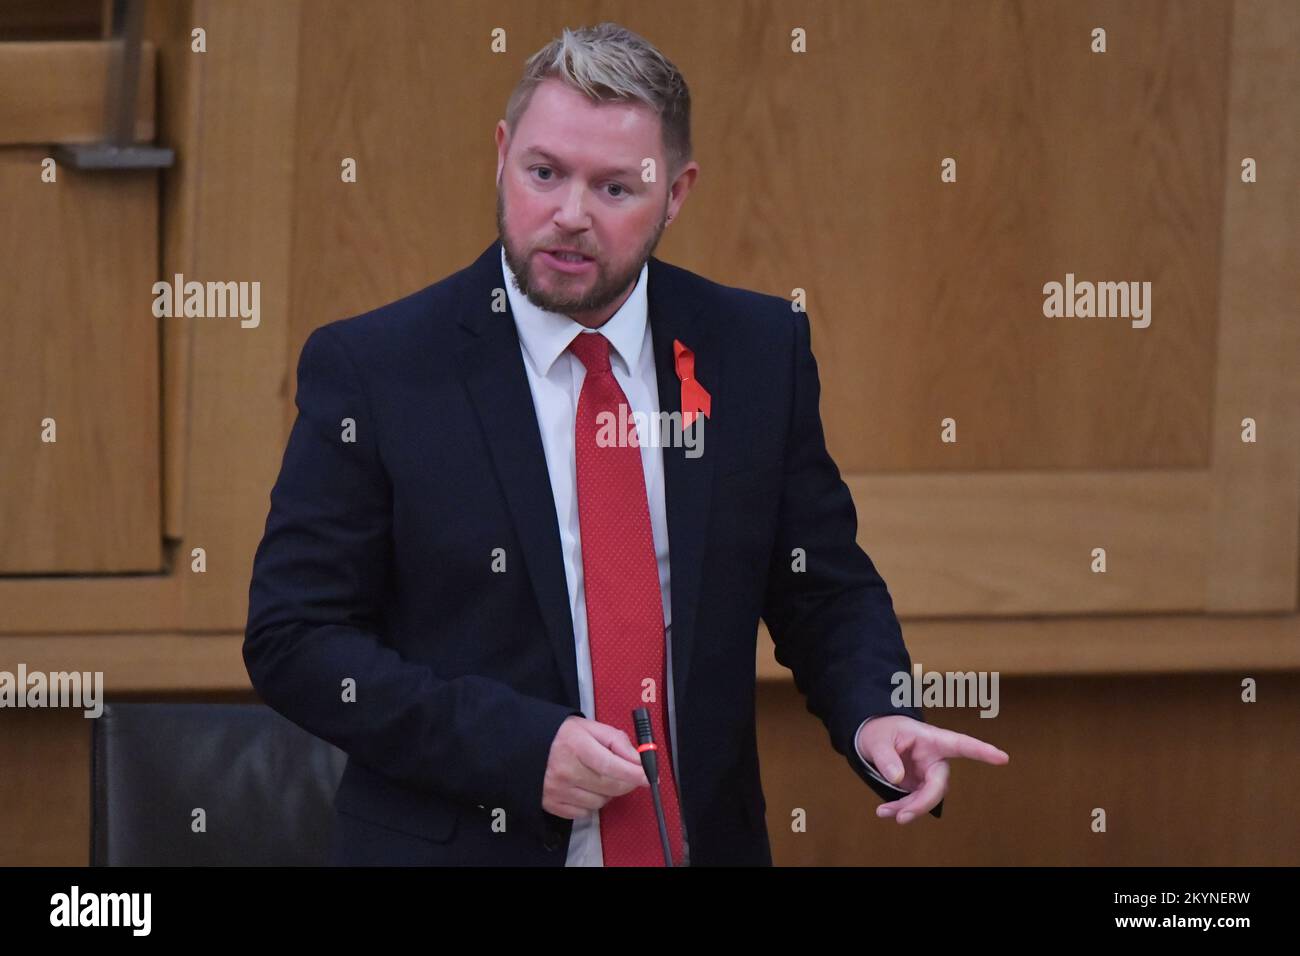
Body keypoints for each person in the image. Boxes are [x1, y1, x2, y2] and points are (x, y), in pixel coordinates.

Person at [244, 21, 1008, 867]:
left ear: (676, 194)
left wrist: (876, 710)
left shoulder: (754, 351)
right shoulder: (378, 367)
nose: (569, 216)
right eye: (544, 173)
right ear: (501, 155)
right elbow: (296, 639)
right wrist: (520, 748)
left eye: (614, 189)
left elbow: (820, 587)